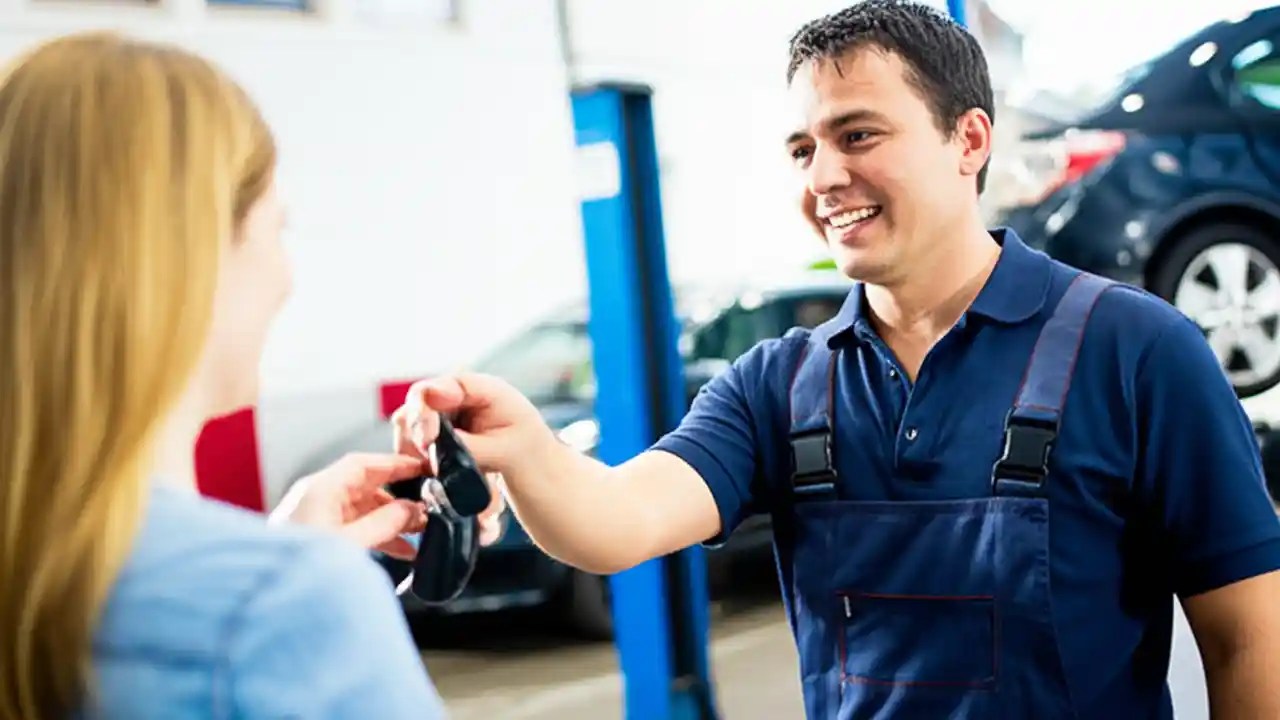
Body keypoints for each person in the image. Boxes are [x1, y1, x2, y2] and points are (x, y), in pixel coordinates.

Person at [395, 2, 1280, 718]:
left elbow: (1250, 638)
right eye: (801, 148)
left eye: (858, 136)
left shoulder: (1138, 350)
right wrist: (526, 445)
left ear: (968, 141)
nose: (821, 178)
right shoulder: (777, 383)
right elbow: (613, 523)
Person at [0, 32, 500, 720]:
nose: (287, 278)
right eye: (277, 228)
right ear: (192, 259)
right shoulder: (285, 609)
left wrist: (277, 556)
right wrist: (282, 580)